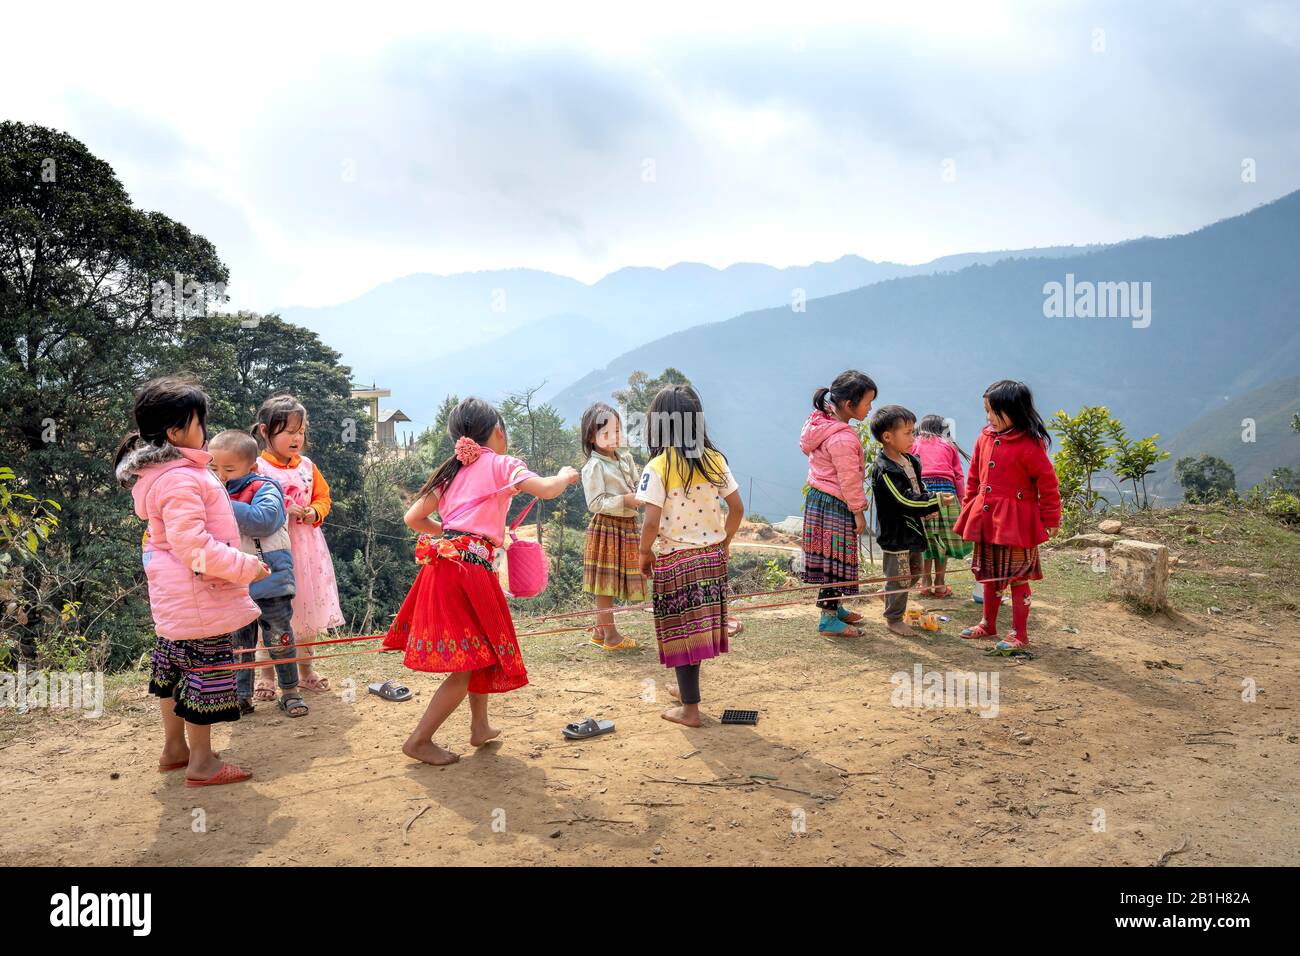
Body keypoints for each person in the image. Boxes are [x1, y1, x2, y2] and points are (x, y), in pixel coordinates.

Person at [382, 397, 578, 765]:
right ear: (499, 432)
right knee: (467, 664)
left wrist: (454, 532)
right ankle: (419, 740)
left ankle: (480, 726)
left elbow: (413, 519)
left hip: (444, 564)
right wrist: (566, 476)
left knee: (480, 648)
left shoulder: (451, 471)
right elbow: (548, 489)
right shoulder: (503, 464)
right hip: (469, 571)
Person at [114, 376, 269, 787]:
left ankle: (175, 749)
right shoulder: (182, 478)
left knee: (174, 672)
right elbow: (194, 547)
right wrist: (247, 567)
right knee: (206, 675)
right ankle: (202, 762)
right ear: (175, 432)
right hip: (201, 597)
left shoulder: (162, 473)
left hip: (177, 601)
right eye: (199, 422)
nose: (205, 430)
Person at [637, 384, 743, 727]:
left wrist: (644, 552)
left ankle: (690, 710)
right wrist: (724, 542)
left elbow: (650, 521)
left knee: (681, 634)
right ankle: (686, 692)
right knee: (695, 630)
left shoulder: (658, 466)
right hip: (711, 560)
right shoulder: (714, 460)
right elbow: (737, 508)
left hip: (677, 561)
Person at [954, 380, 1061, 651]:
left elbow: (1048, 483)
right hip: (987, 519)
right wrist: (968, 508)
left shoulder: (1030, 444)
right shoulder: (984, 438)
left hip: (1017, 523)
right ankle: (988, 624)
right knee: (990, 574)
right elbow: (974, 477)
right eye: (986, 411)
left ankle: (1019, 634)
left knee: (1018, 577)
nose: (989, 417)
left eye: (994, 411)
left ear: (1014, 410)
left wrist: (1051, 519)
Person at [209, 429, 306, 718]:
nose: (221, 475)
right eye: (214, 468)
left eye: (229, 469)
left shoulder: (266, 487)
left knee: (279, 638)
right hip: (234, 583)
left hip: (271, 580)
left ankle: (290, 691)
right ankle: (241, 696)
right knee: (239, 645)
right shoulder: (212, 493)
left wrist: (222, 504)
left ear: (251, 468)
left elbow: (263, 521)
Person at [253, 395, 342, 692]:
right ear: (265, 431)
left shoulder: (307, 466)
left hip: (307, 549)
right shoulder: (256, 468)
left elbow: (323, 497)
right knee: (269, 611)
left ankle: (306, 671)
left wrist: (315, 511)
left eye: (301, 431)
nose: (296, 438)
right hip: (271, 548)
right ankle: (266, 676)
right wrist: (281, 509)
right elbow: (247, 504)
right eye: (289, 431)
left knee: (306, 610)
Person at [799, 370, 877, 637]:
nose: (870, 408)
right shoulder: (842, 438)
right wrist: (858, 512)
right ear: (848, 404)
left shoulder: (820, 422)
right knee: (835, 559)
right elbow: (849, 479)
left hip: (819, 498)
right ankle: (828, 619)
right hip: (836, 501)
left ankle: (835, 607)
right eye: (867, 403)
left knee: (831, 558)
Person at [869, 405, 951, 637]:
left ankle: (889, 593)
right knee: (900, 578)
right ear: (887, 437)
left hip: (913, 530)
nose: (912, 437)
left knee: (914, 573)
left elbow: (918, 488)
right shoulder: (885, 469)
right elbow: (903, 500)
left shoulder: (910, 461)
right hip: (895, 534)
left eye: (912, 432)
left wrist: (926, 508)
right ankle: (894, 619)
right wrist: (934, 502)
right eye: (907, 433)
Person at [578, 402, 646, 651]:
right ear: (591, 437)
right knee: (605, 583)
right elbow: (595, 503)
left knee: (613, 578)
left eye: (617, 431)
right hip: (607, 528)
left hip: (626, 526)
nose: (613, 437)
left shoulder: (625, 458)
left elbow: (637, 483)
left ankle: (600, 630)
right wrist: (624, 500)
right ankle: (611, 636)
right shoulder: (594, 467)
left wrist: (641, 492)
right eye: (605, 433)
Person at [910, 414, 973, 596]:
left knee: (926, 540)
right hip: (947, 494)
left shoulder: (914, 443)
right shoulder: (949, 445)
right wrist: (962, 501)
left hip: (922, 494)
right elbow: (958, 476)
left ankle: (925, 583)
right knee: (942, 541)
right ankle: (940, 584)